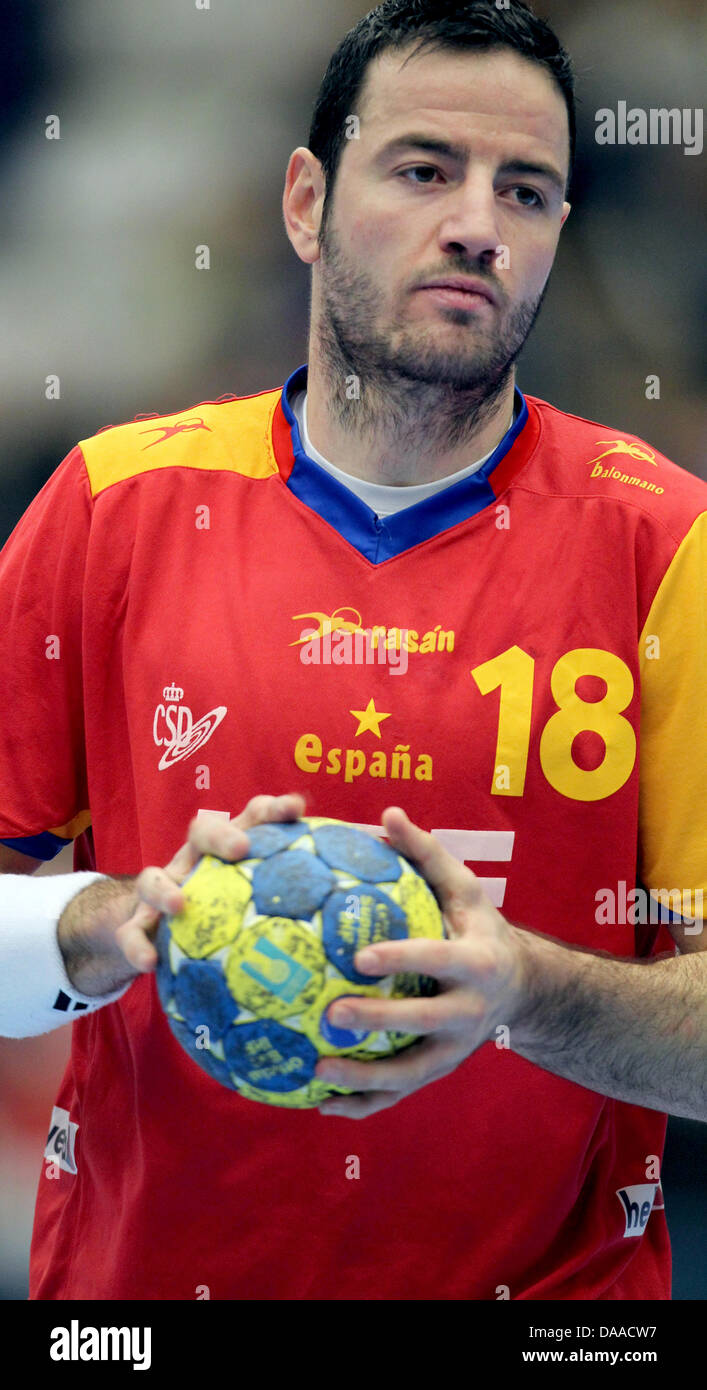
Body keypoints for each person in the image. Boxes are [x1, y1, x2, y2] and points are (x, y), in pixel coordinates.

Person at [1, 0, 705, 1302]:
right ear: (307, 203)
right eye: (425, 168)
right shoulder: (112, 505)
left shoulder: (668, 542)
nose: (479, 224)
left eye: (529, 189)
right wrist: (103, 923)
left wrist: (528, 989)